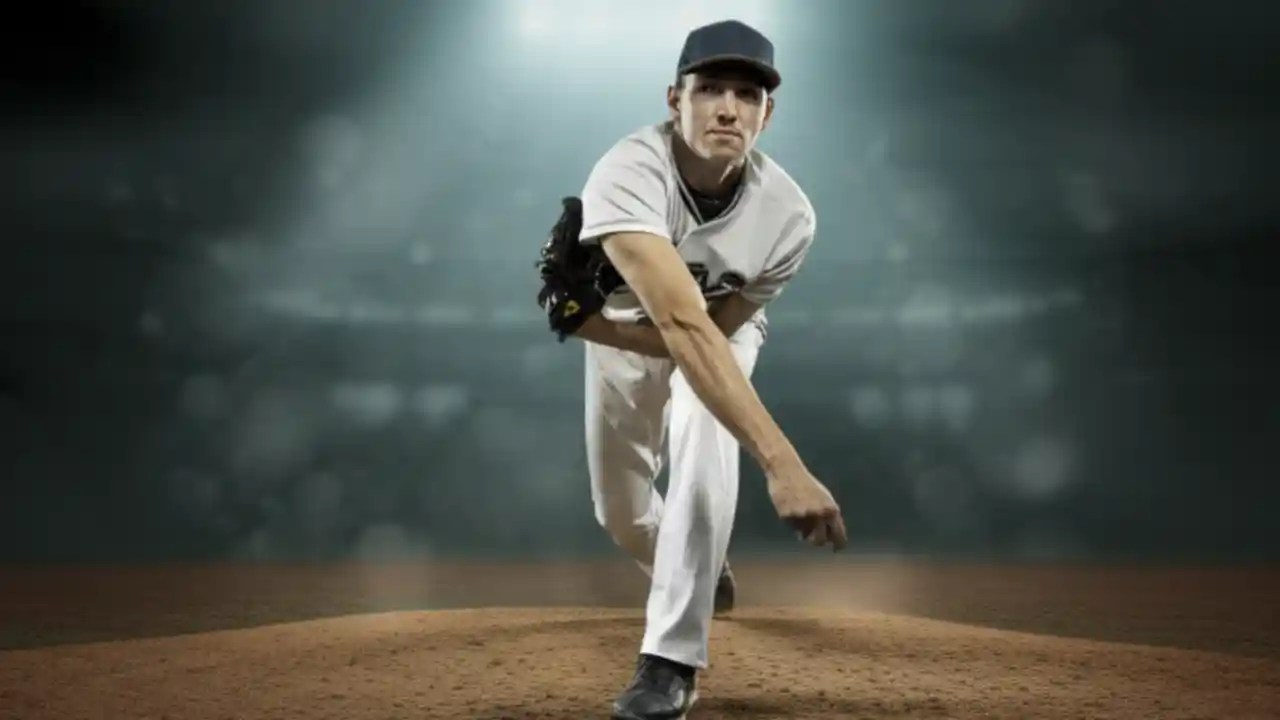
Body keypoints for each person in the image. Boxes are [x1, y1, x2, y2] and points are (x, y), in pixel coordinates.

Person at [534, 18, 847, 720]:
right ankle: (697, 568)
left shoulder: (789, 216)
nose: (728, 108)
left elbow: (711, 333)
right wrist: (596, 328)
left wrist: (781, 463)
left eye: (747, 94)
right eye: (710, 89)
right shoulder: (628, 171)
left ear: (769, 113)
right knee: (620, 513)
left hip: (717, 335)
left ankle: (671, 660)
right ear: (675, 99)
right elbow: (677, 328)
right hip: (627, 336)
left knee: (708, 425)